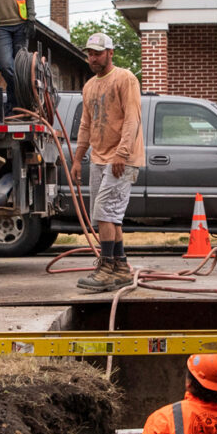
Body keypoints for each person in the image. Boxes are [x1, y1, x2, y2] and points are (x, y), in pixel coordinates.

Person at [72, 32, 143, 291]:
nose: (93, 58)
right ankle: (121, 268)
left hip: (125, 159)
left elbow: (132, 118)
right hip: (99, 158)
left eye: (98, 53)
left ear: (110, 53)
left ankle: (106, 268)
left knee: (104, 211)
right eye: (90, 54)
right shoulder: (89, 86)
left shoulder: (125, 78)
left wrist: (122, 153)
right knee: (109, 216)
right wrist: (78, 159)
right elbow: (85, 124)